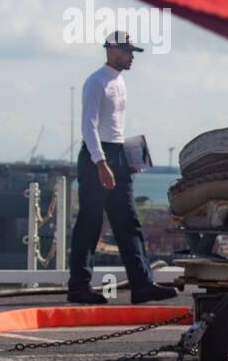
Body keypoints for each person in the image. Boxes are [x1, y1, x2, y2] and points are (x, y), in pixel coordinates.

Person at [67, 32, 175, 306]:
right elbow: (88, 127)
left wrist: (129, 160)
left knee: (128, 222)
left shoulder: (120, 81)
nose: (132, 57)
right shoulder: (96, 82)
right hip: (98, 157)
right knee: (90, 223)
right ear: (112, 51)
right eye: (128, 52)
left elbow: (115, 127)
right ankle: (79, 287)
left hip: (117, 154)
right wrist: (101, 163)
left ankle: (142, 285)